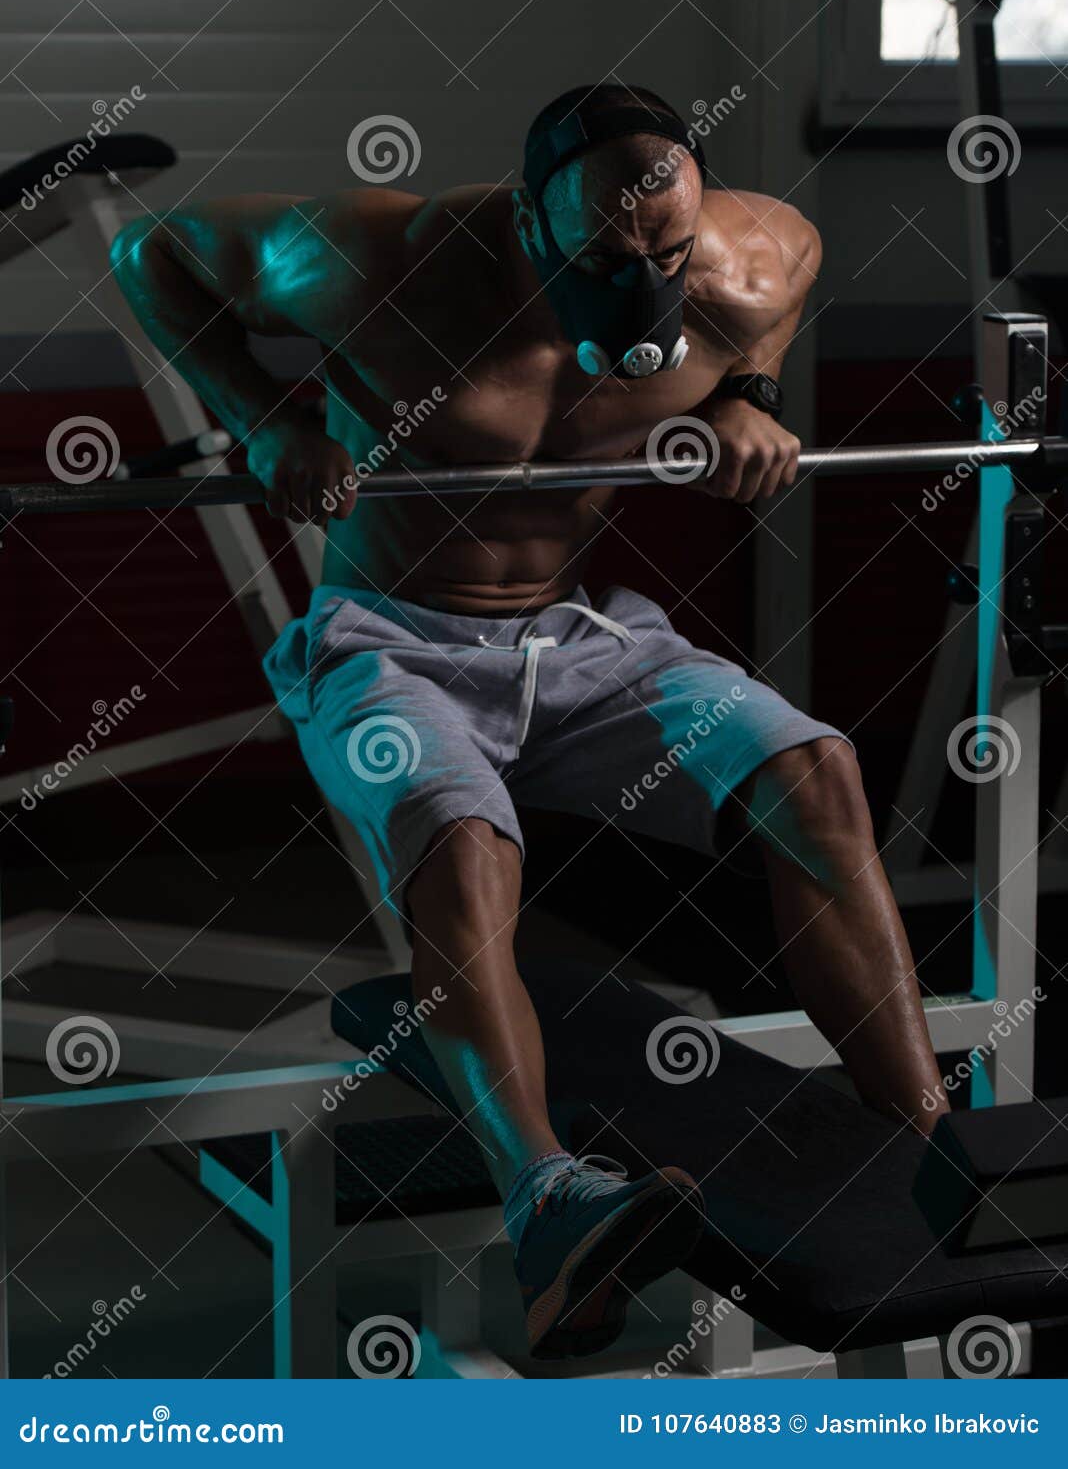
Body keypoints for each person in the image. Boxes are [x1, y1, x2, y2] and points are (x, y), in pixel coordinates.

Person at [112, 83, 948, 1361]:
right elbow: (148, 249)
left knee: (816, 769)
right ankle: (551, 1203)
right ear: (528, 217)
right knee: (462, 838)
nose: (645, 276)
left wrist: (754, 394)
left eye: (663, 251)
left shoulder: (738, 259)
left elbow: (798, 250)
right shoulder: (381, 261)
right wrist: (265, 415)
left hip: (580, 638)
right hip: (390, 642)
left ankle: (931, 1144)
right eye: (606, 257)